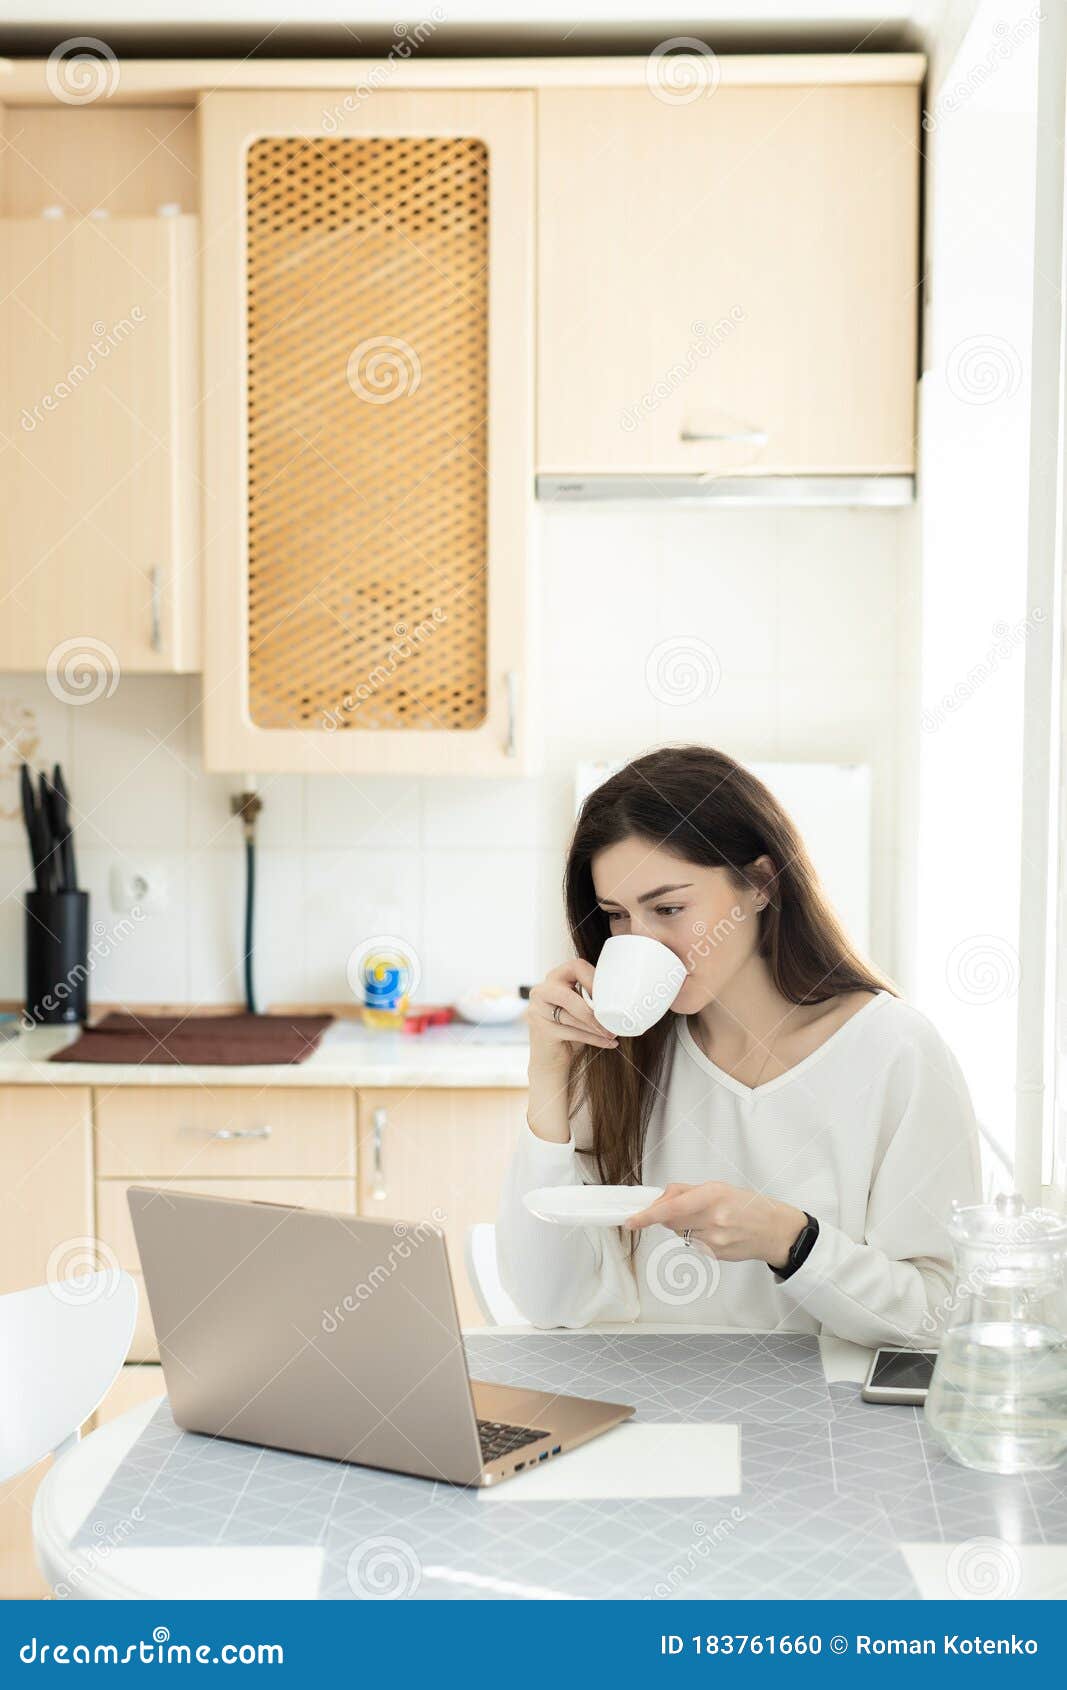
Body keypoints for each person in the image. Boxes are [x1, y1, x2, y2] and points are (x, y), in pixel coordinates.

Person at [498, 745, 981, 1348]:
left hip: (825, 1426)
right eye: (617, 917)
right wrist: (548, 1080)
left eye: (669, 907)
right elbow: (548, 1302)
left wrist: (791, 1239)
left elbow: (938, 1317)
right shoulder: (621, 1055)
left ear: (759, 884)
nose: (642, 942)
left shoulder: (896, 1052)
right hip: (647, 1405)